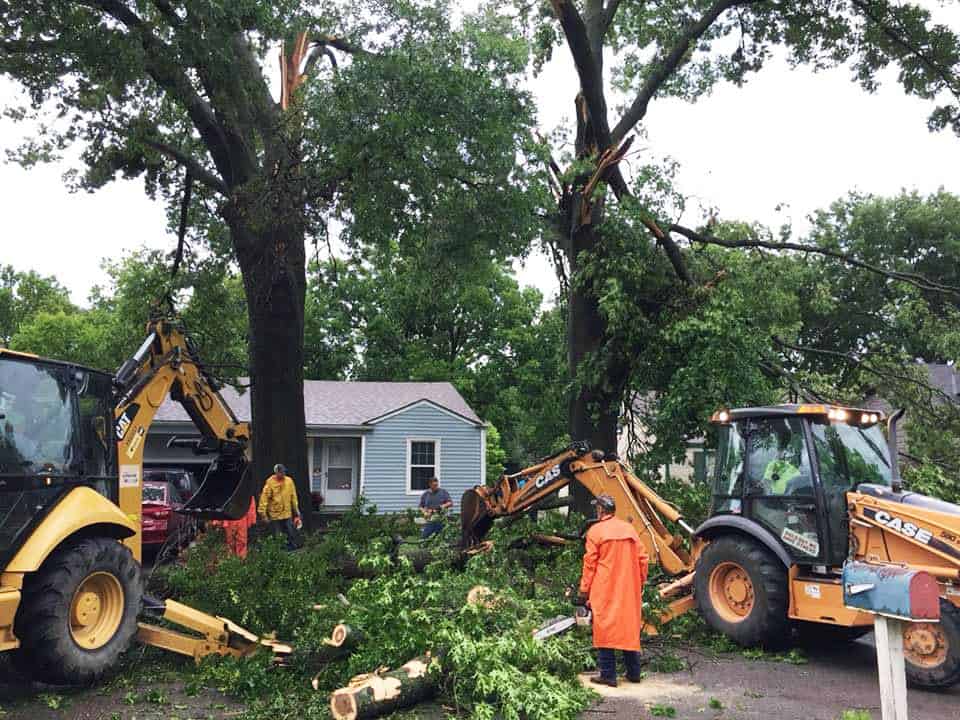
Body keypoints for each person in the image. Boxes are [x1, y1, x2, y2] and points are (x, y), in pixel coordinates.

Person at [577, 494, 649, 687]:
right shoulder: (629, 529)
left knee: (604, 626)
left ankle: (608, 674)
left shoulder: (596, 531)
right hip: (628, 587)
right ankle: (634, 672)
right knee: (628, 627)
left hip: (605, 586)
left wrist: (584, 590)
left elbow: (590, 564)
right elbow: (643, 559)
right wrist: (639, 582)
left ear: (601, 509)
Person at [258, 463, 301, 550]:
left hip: (287, 513)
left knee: (290, 532)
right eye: (281, 472)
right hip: (275, 515)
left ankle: (292, 549)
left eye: (284, 472)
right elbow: (264, 498)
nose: (283, 474)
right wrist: (263, 514)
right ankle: (278, 552)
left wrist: (297, 512)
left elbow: (293, 497)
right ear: (276, 472)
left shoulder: (289, 481)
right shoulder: (270, 482)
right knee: (277, 535)